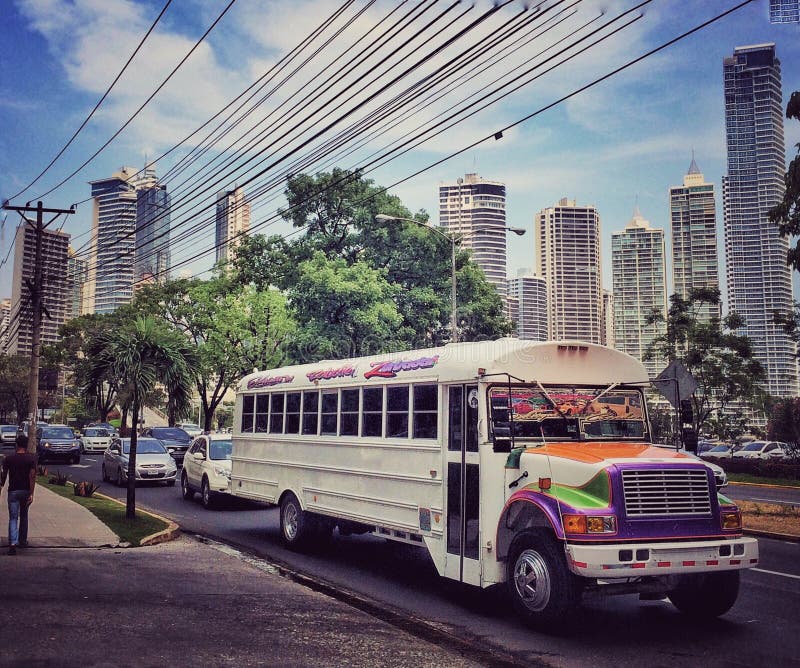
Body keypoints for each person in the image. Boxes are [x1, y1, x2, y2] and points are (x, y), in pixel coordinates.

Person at [0, 441, 36, 555]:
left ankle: (12, 544)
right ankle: (23, 541)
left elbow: (4, 475)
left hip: (13, 491)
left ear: (16, 446)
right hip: (25, 491)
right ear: (25, 446)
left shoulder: (9, 459)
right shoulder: (31, 459)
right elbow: (32, 476)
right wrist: (31, 493)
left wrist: (1, 486)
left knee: (13, 518)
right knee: (24, 516)